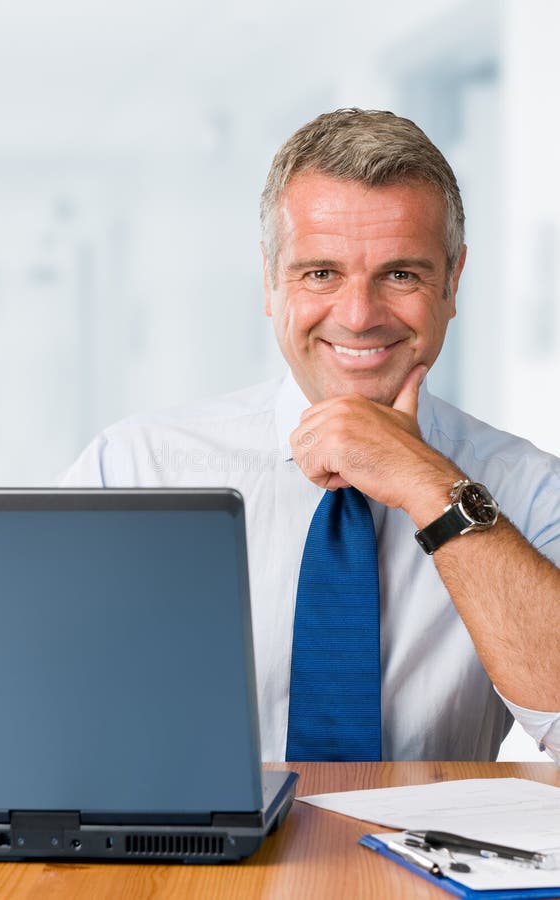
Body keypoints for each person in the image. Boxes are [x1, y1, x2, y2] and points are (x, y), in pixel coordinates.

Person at [60, 109, 560, 763]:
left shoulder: (527, 488)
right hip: (193, 867)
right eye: (320, 273)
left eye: (401, 274)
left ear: (454, 280)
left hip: (422, 862)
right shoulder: (136, 470)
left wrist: (429, 484)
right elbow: (35, 719)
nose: (358, 316)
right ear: (271, 278)